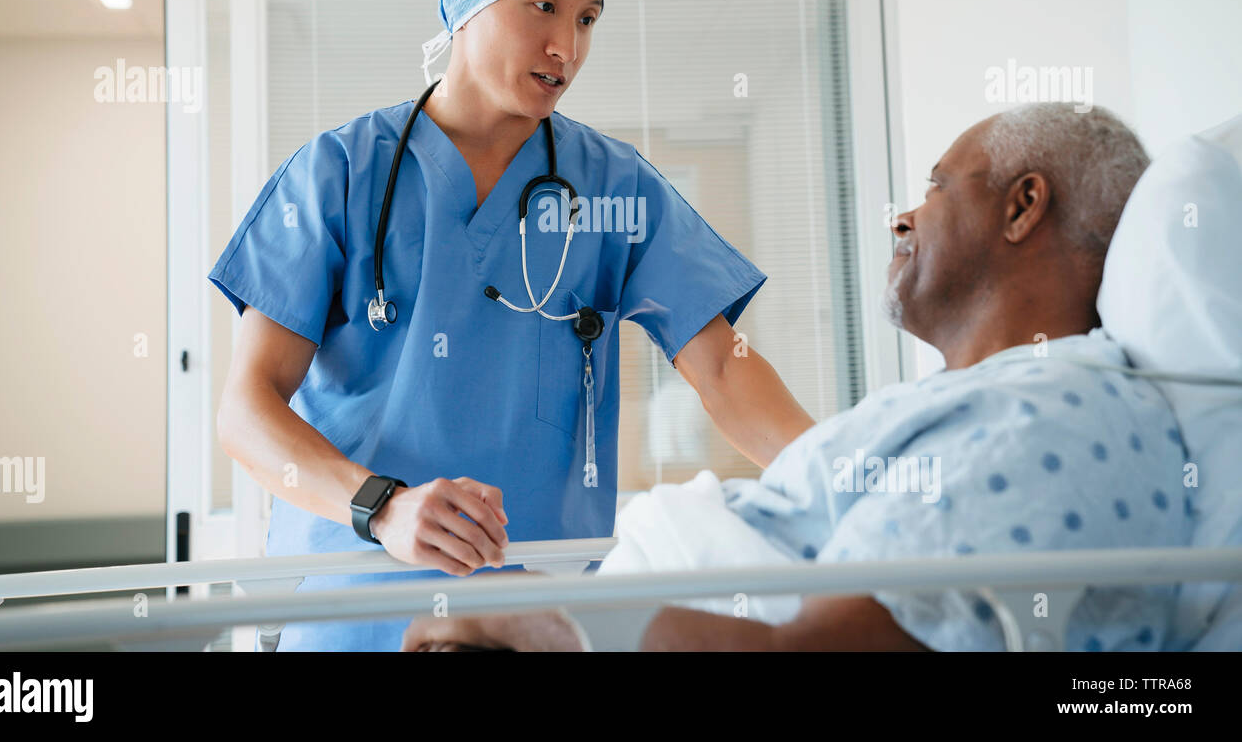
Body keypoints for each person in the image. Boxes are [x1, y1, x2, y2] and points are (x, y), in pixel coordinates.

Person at [209, 0, 814, 651]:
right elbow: (244, 409)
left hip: (537, 614)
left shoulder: (612, 187)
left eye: (587, 18)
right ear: (467, 6)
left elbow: (724, 366)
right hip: (355, 604)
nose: (567, 45)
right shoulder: (338, 174)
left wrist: (846, 482)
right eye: (543, 6)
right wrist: (383, 506)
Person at [402, 103, 1193, 651]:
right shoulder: (975, 403)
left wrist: (542, 619)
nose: (902, 216)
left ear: (1024, 206)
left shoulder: (1047, 415)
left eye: (936, 186)